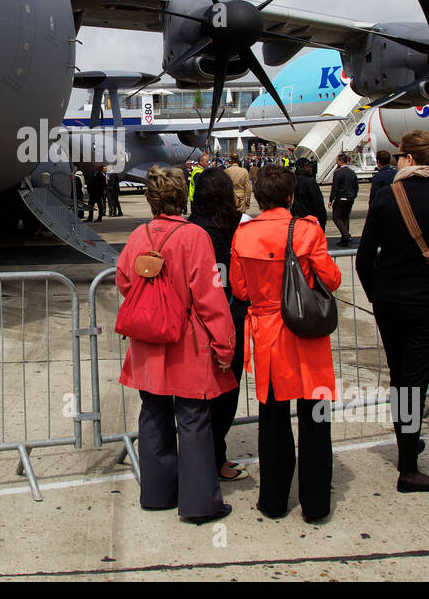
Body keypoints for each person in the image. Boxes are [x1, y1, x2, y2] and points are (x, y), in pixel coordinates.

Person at [117, 166, 236, 523]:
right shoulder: (194, 236)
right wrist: (224, 345)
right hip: (187, 341)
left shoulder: (139, 235)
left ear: (150, 199)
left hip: (149, 341)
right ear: (181, 196)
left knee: (153, 415)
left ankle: (157, 493)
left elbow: (125, 281)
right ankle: (200, 503)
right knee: (194, 419)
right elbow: (210, 297)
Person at [356, 131, 429, 493]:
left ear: (406, 159)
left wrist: (377, 295)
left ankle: (408, 443)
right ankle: (408, 468)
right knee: (414, 384)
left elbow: (363, 259)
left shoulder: (387, 197)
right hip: (428, 305)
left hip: (389, 303)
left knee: (398, 377)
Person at [231, 165, 342, 521]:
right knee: (316, 418)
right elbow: (332, 278)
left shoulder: (243, 236)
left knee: (273, 418)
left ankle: (274, 501)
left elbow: (240, 290)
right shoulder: (307, 230)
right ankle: (315, 504)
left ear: (259, 197)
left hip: (266, 333)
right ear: (291, 195)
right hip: (305, 333)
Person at [189, 169, 250, 483]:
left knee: (203, 398)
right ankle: (214, 459)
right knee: (225, 394)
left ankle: (207, 456)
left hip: (198, 324)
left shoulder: (194, 229)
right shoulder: (231, 228)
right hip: (226, 320)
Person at [329, 153, 359, 246]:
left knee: (336, 217)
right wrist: (353, 196)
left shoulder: (338, 173)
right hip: (350, 198)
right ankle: (344, 239)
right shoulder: (352, 172)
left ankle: (346, 235)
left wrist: (331, 199)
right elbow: (356, 187)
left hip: (341, 198)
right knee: (345, 217)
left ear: (340, 161)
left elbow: (335, 187)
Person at [290, 158, 328, 229]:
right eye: (309, 166)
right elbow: (317, 202)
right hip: (311, 218)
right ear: (305, 167)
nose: (311, 168)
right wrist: (323, 218)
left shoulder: (291, 181)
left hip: (296, 219)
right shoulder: (310, 182)